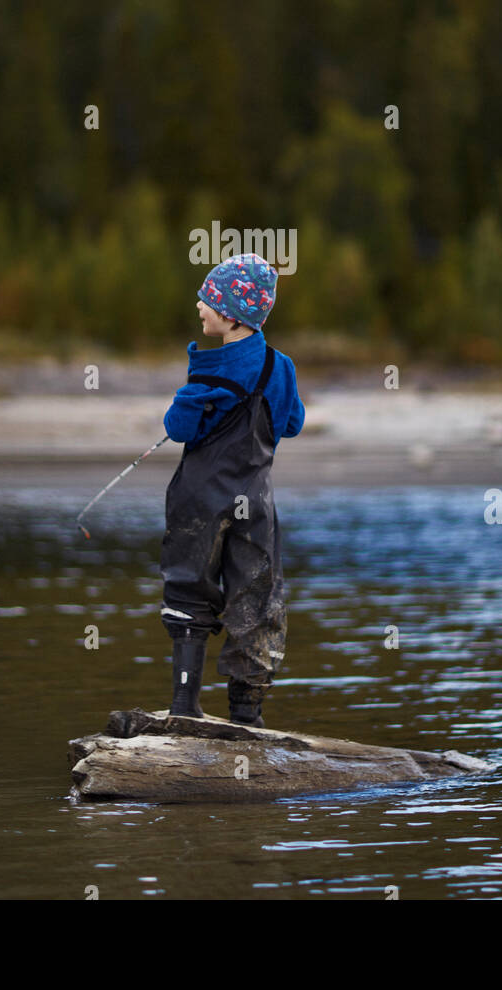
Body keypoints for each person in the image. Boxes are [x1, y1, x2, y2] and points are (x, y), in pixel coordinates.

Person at [160, 253, 305, 727]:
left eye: (207, 299)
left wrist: (187, 397)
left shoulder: (209, 368)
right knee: (256, 598)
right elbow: (292, 423)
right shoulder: (281, 367)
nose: (199, 306)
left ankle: (185, 707)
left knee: (189, 588)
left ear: (229, 315)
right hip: (255, 505)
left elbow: (178, 428)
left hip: (199, 503)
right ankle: (247, 716)